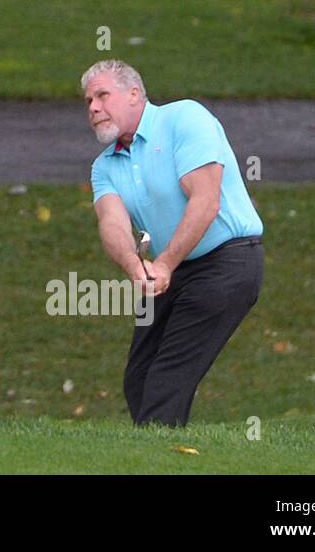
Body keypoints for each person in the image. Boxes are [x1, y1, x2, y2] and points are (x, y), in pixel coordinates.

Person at [81, 59, 264, 427]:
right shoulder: (104, 166)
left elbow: (206, 201)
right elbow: (113, 223)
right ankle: (162, 452)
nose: (94, 108)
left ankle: (155, 460)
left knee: (168, 378)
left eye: (102, 95)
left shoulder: (183, 118)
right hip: (170, 270)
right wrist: (136, 267)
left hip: (227, 262)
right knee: (139, 379)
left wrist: (163, 263)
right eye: (87, 101)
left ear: (134, 94)